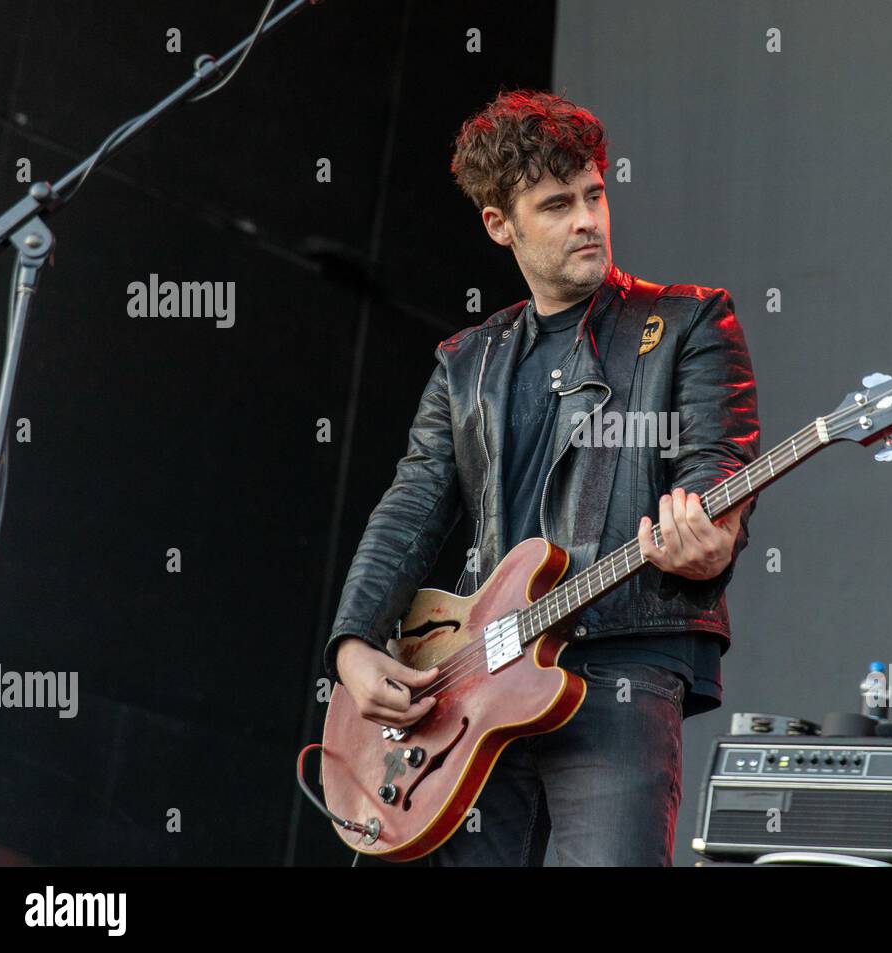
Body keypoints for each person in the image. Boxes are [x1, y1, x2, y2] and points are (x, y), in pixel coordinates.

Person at [324, 89, 759, 865]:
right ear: (500, 224)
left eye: (595, 195)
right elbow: (412, 505)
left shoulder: (690, 323)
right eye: (557, 205)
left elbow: (715, 468)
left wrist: (713, 539)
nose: (588, 220)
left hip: (620, 665)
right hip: (473, 681)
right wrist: (353, 643)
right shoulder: (466, 363)